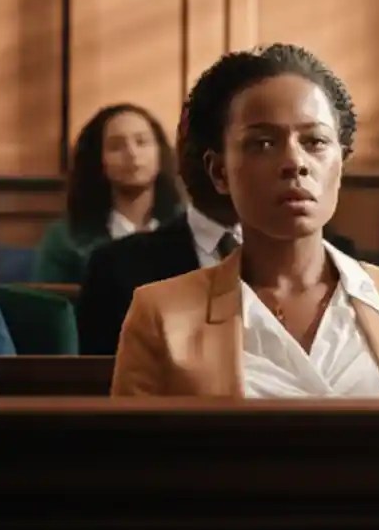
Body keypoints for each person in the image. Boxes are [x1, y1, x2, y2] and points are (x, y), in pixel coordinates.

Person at [111, 44, 379, 398]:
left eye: (315, 141)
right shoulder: (161, 313)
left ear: (341, 162)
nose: (295, 163)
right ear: (220, 171)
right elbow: (136, 461)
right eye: (263, 144)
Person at [77, 107, 358, 354]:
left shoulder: (340, 259)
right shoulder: (116, 265)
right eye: (199, 146)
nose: (214, 164)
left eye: (262, 144)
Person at [32, 104, 182, 283]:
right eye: (116, 146)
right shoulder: (65, 239)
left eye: (141, 142)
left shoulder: (189, 228)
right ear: (97, 160)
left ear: (160, 153)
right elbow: (51, 307)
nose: (132, 154)